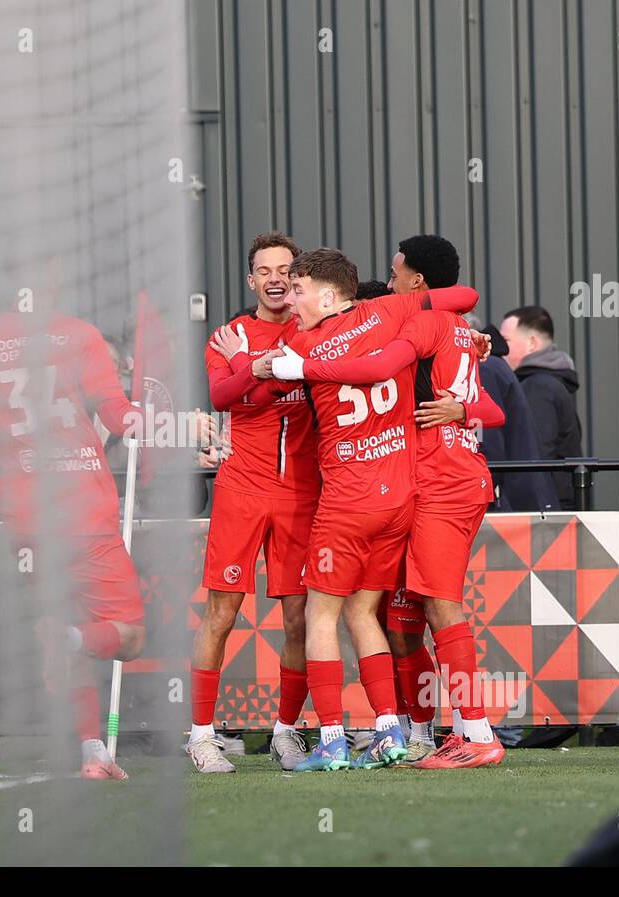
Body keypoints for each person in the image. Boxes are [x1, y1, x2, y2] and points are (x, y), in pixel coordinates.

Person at [229, 247, 481, 771]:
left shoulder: (300, 341)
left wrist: (243, 358)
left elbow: (236, 392)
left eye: (297, 290)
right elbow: (464, 297)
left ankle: (332, 741)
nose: (289, 301)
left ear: (326, 293)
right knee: (366, 612)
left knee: (322, 616)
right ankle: (391, 733)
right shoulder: (388, 311)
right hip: (398, 500)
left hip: (346, 503)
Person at [0, 296, 144, 781]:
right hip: (83, 506)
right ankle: (73, 640)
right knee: (128, 636)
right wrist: (137, 418)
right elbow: (116, 410)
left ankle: (91, 752)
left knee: (62, 636)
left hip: (26, 513)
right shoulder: (78, 332)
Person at [187, 231, 318, 773]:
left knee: (298, 619)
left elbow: (308, 386)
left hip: (301, 494)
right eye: (265, 270)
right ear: (251, 279)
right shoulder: (229, 335)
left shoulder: (315, 330)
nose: (276, 277)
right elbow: (221, 397)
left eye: (285, 268)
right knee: (222, 613)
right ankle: (199, 735)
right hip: (242, 489)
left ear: (298, 275)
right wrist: (255, 368)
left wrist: (252, 374)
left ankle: (286, 732)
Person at [465, 312, 558, 511]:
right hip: (520, 498)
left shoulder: (482, 369)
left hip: (511, 504)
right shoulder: (492, 366)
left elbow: (487, 443)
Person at [498, 305, 583, 509]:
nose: (498, 349)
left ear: (532, 343)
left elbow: (534, 455)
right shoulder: (549, 382)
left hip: (545, 516)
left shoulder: (537, 387)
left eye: (506, 341)